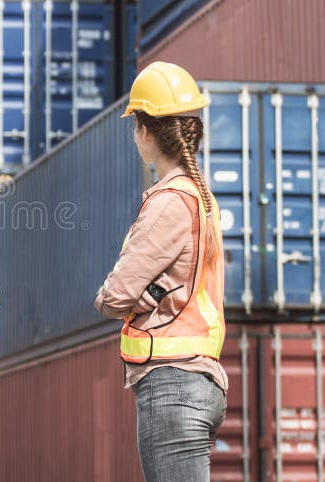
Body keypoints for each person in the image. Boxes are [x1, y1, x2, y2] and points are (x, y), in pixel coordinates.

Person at [94, 62, 228, 482]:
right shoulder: (201, 198)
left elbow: (113, 297)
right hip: (199, 377)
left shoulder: (169, 201)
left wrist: (136, 296)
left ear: (145, 133)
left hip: (172, 382)